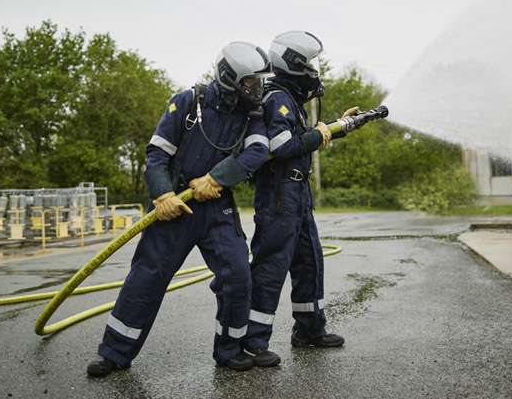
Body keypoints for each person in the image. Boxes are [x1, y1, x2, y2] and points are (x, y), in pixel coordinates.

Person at [87, 41, 274, 377]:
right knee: (148, 277)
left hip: (217, 208)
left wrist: (217, 178)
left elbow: (258, 153)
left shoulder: (252, 115)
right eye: (251, 81)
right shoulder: (188, 102)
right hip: (175, 206)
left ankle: (229, 350)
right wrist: (161, 195)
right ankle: (114, 353)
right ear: (231, 77)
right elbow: (157, 156)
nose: (257, 88)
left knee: (237, 275)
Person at [241, 31, 362, 367]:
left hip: (297, 194)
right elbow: (281, 147)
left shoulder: (290, 98)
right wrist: (321, 132)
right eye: (310, 61)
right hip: (279, 194)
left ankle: (309, 330)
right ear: (295, 63)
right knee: (270, 267)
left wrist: (336, 127)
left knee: (309, 261)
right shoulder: (277, 97)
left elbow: (300, 139)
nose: (314, 68)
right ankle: (253, 342)